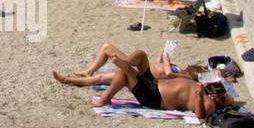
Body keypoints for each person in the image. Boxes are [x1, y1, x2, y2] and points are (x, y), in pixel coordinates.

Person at [58, 49, 233, 122]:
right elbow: (173, 75)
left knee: (121, 73)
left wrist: (196, 96)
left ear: (220, 102)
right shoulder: (198, 84)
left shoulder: (208, 104)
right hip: (154, 84)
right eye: (222, 92)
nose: (219, 93)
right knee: (141, 54)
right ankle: (125, 64)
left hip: (155, 98)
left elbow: (201, 116)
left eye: (223, 97)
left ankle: (106, 98)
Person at [51, 43, 202, 86]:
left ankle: (67, 80)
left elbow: (168, 74)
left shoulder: (184, 76)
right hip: (142, 67)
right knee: (106, 47)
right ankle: (89, 71)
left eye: (195, 68)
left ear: (196, 75)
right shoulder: (182, 70)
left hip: (143, 76)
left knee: (102, 78)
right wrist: (162, 56)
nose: (191, 66)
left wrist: (166, 58)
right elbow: (162, 68)